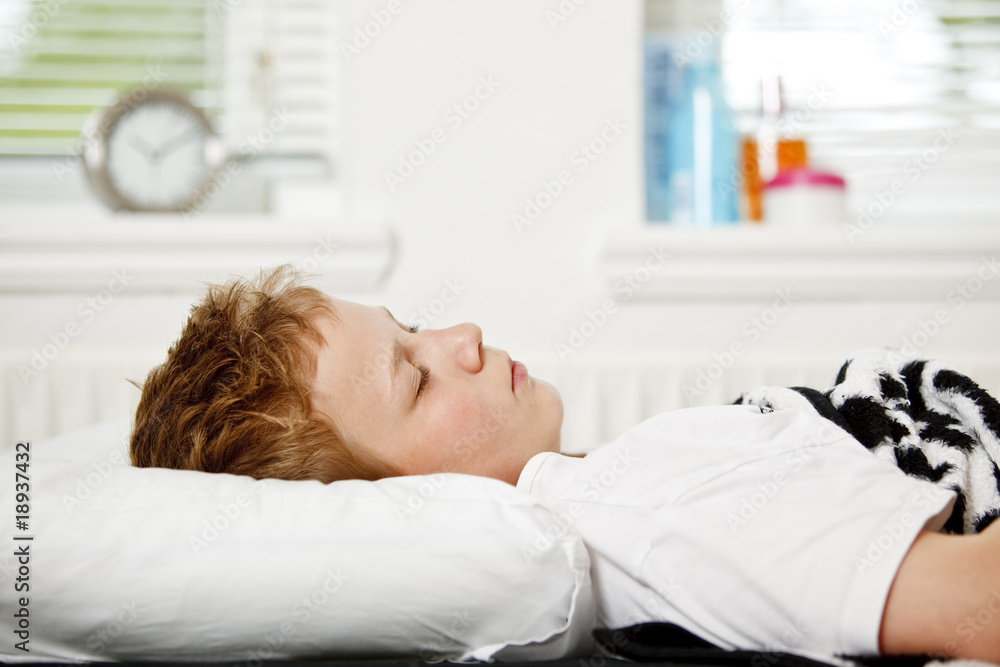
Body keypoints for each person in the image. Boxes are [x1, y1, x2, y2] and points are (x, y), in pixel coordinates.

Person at [130, 265, 1000, 665]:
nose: (462, 337)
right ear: (410, 507)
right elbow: (976, 606)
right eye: (416, 376)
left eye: (413, 326)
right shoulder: (635, 503)